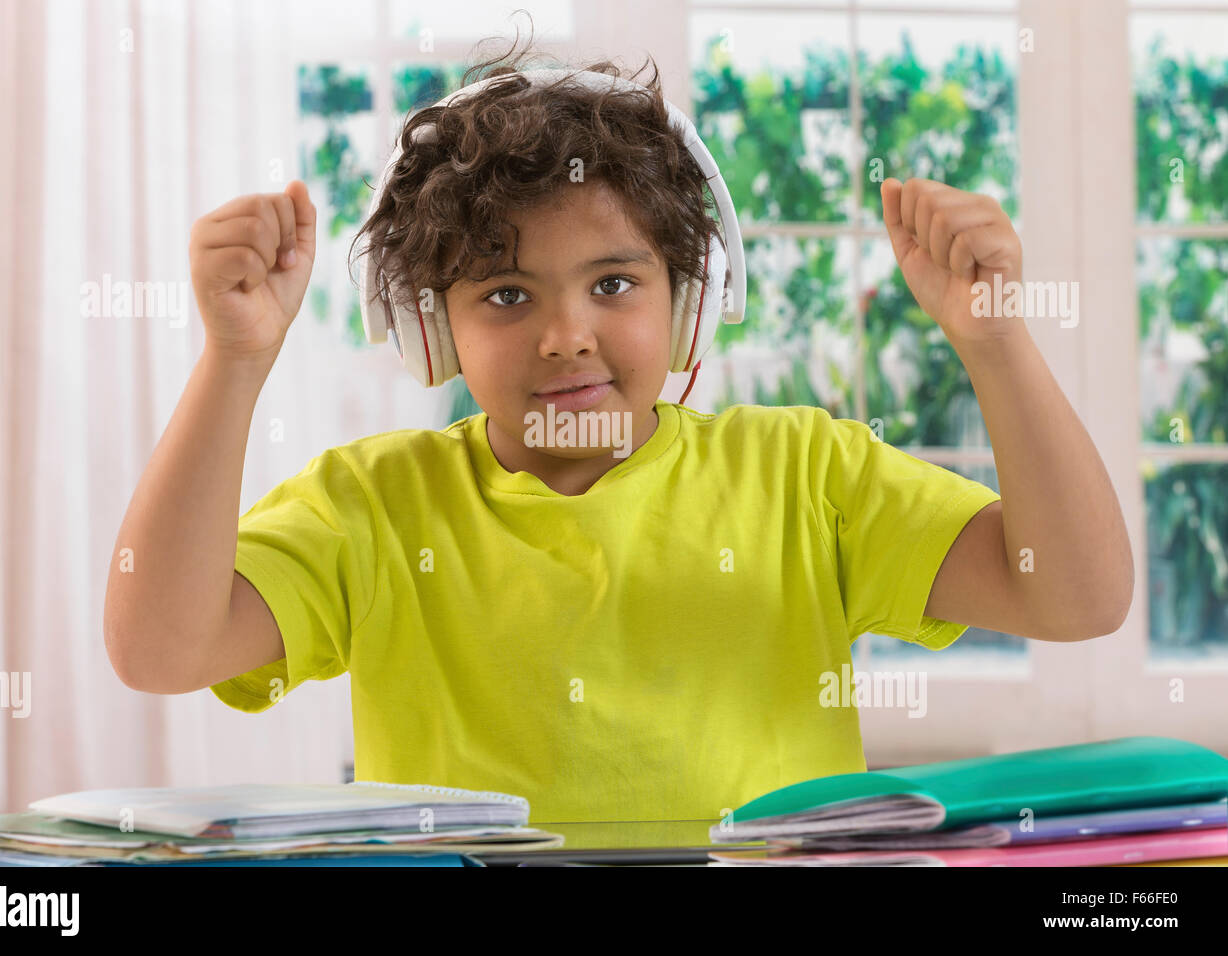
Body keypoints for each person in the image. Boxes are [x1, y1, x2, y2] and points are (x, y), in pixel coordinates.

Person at [104, 41, 1132, 825]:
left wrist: (996, 348)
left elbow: (1079, 593)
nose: (565, 336)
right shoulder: (375, 505)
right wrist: (234, 362)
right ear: (431, 329)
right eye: (505, 293)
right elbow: (159, 647)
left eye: (613, 283)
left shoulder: (804, 473)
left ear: (690, 300)